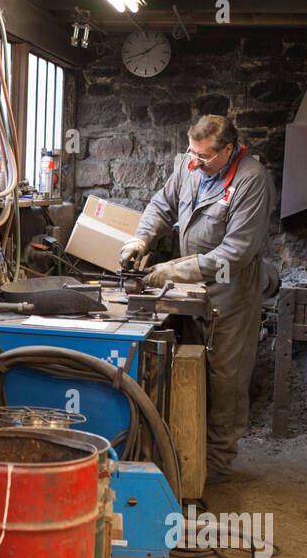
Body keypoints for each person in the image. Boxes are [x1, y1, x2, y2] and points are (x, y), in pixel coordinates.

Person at [117, 115, 274, 479]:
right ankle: (189, 454)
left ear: (228, 150)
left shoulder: (252, 180)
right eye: (192, 152)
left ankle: (217, 465)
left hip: (230, 294)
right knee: (191, 369)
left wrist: (173, 271)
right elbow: (162, 204)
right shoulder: (190, 166)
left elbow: (235, 253)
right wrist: (141, 238)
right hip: (192, 291)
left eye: (204, 156)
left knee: (226, 379)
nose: (195, 161)